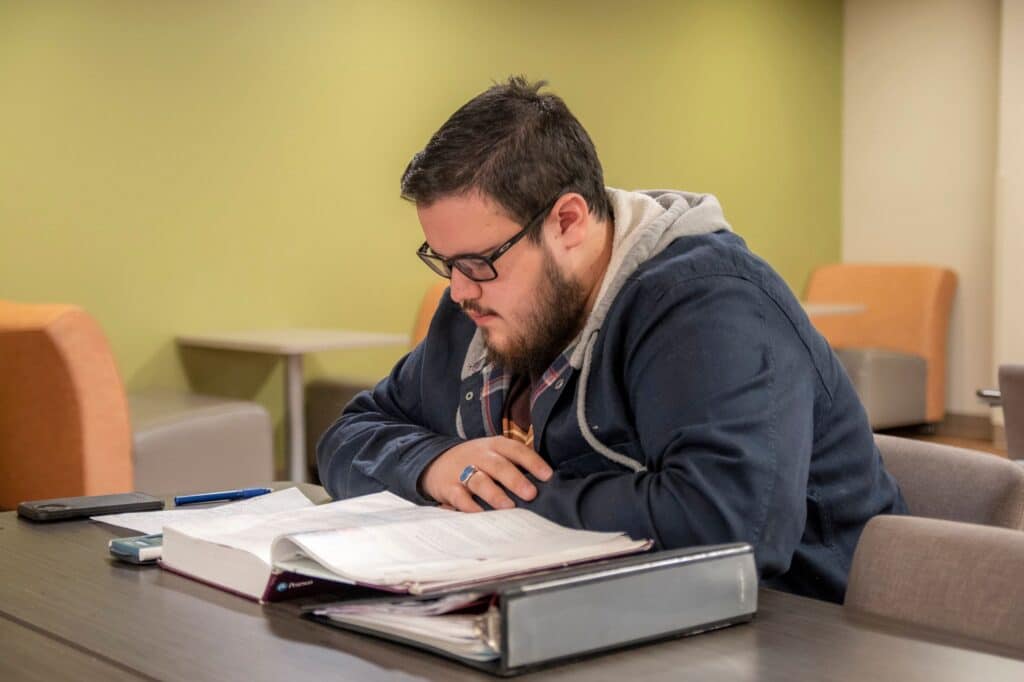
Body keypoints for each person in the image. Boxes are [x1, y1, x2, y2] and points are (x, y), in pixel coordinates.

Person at [317, 76, 907, 603]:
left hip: (801, 632)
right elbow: (347, 438)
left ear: (568, 222)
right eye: (445, 262)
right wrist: (434, 464)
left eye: (478, 262)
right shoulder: (479, 309)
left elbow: (734, 528)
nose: (458, 291)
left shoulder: (709, 305)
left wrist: (499, 501)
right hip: (591, 617)